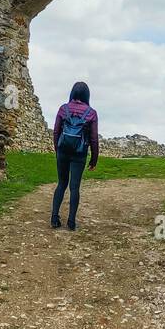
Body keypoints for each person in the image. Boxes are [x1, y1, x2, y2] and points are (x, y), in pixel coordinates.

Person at [51, 81, 98, 231]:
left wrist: (57, 150)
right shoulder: (91, 113)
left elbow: (56, 132)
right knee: (74, 187)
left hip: (63, 151)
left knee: (61, 184)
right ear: (87, 95)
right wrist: (94, 159)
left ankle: (54, 218)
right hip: (79, 154)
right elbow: (94, 138)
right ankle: (71, 222)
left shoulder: (63, 109)